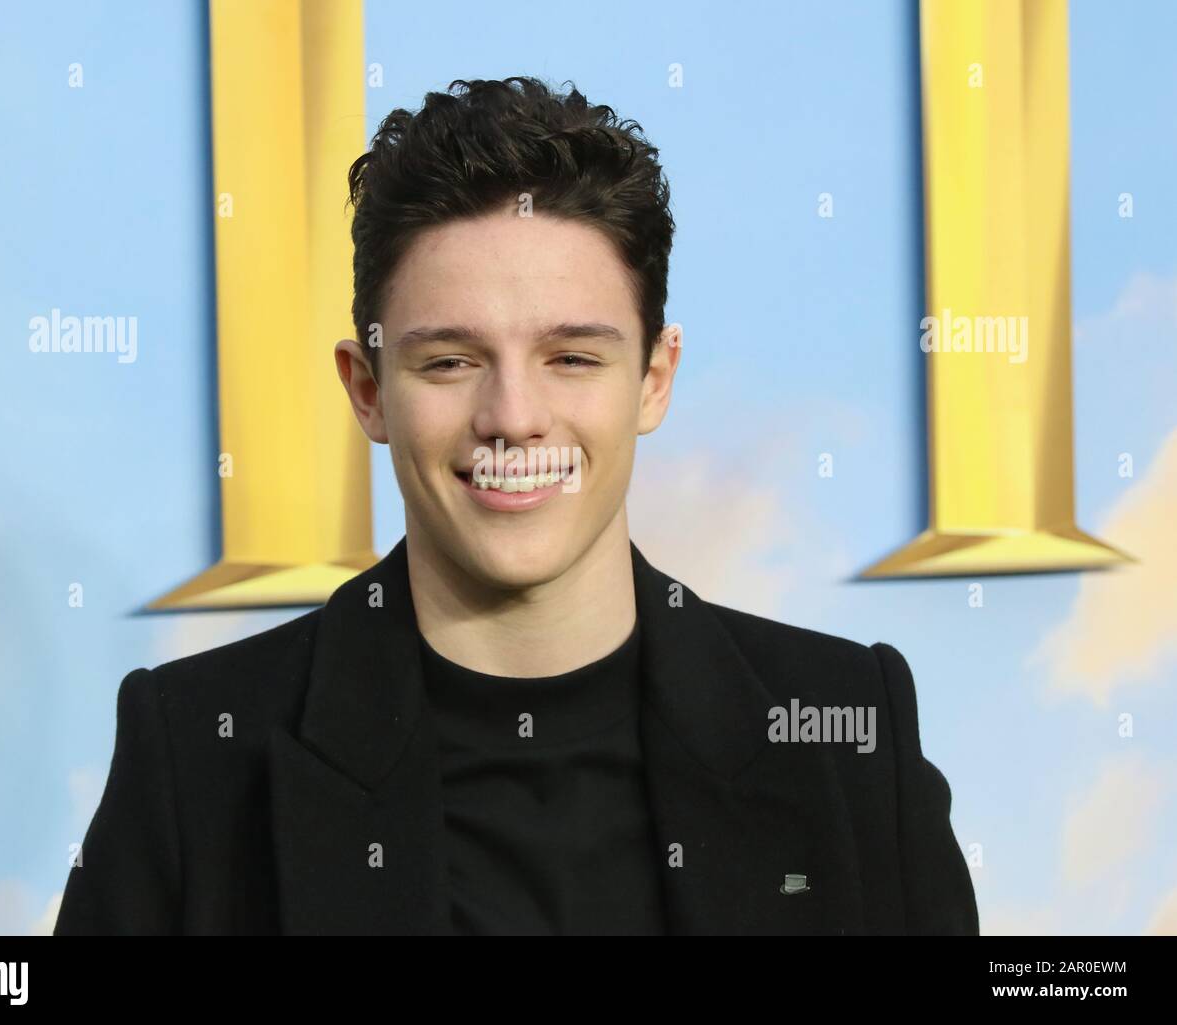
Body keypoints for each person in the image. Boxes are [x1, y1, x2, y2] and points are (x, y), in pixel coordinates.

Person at [54, 76, 979, 935]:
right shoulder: (194, 755)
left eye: (573, 357)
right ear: (368, 388)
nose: (513, 418)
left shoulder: (847, 726)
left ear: (654, 379)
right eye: (450, 360)